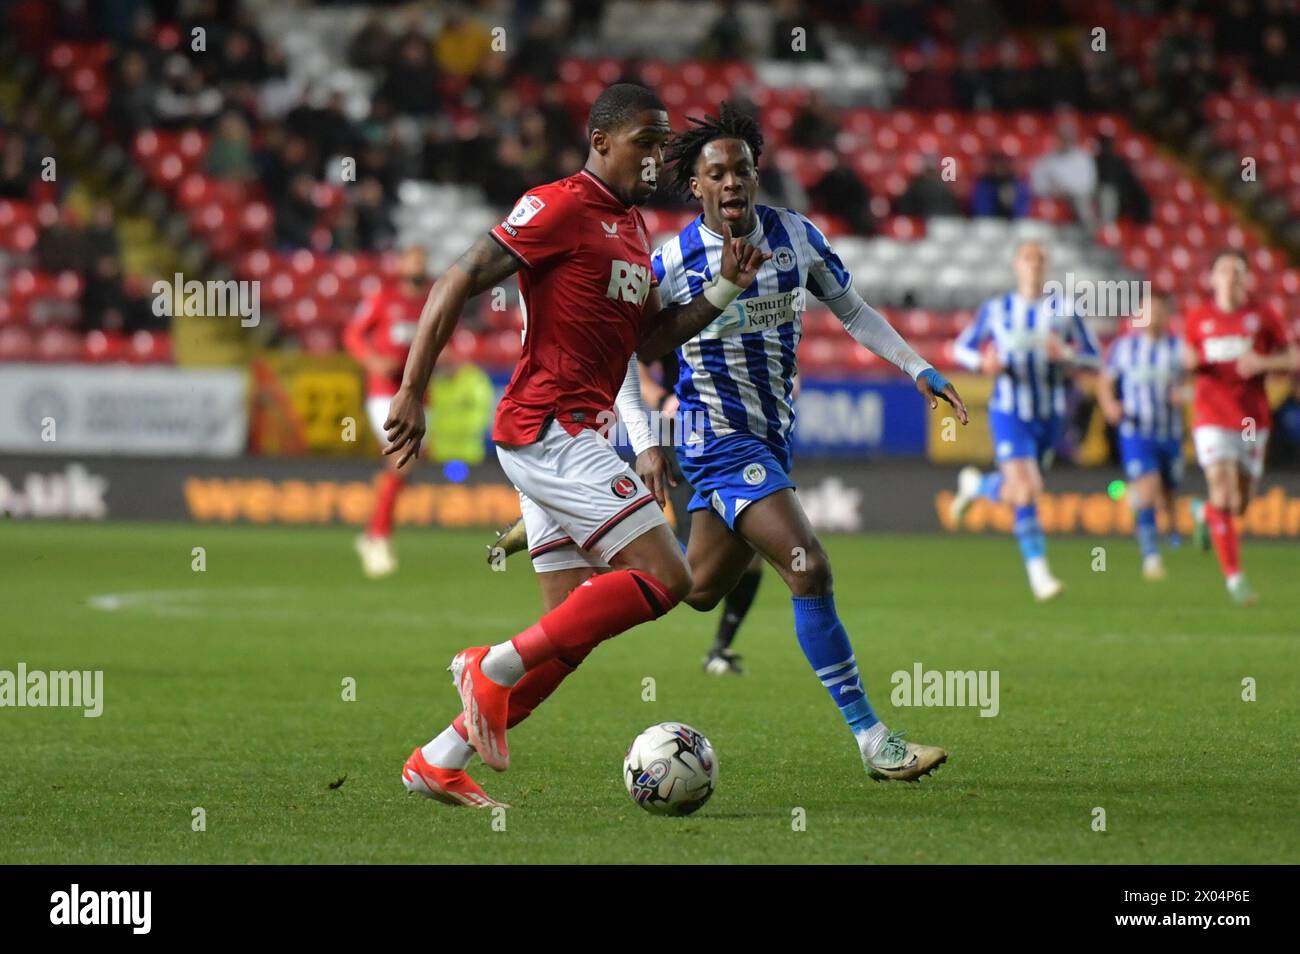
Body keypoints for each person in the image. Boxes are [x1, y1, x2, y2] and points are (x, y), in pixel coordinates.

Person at [384, 84, 769, 807]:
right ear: (601, 141)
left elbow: (649, 343)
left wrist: (719, 291)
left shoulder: (631, 229)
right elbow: (458, 278)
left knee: (570, 634)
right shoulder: (557, 206)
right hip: (549, 425)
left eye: (662, 145)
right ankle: (489, 664)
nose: (657, 158)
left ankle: (436, 760)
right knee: (669, 578)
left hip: (575, 433)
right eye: (645, 143)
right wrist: (412, 388)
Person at [622, 104, 964, 780]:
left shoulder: (796, 238)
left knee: (695, 589)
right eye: (715, 173)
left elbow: (855, 311)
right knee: (807, 566)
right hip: (716, 441)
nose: (731, 183)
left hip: (770, 442)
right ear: (695, 185)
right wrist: (643, 441)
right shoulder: (672, 262)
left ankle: (577, 532)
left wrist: (918, 368)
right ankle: (874, 741)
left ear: (756, 175)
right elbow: (625, 353)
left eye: (741, 170)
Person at [948, 240, 1101, 601]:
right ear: (1017, 264)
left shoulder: (1064, 310)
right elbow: (959, 347)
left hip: (1050, 417)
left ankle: (978, 487)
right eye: (1027, 258)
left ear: (1046, 266)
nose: (1033, 264)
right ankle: (1040, 576)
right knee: (1029, 488)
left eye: (1039, 258)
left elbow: (1096, 359)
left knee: (1019, 490)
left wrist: (1065, 355)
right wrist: (981, 363)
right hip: (1009, 411)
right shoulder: (998, 309)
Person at [1184, 250, 1299, 604]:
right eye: (1223, 270)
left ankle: (1203, 512)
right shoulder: (1198, 317)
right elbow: (1186, 358)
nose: (1230, 277)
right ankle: (1235, 578)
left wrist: (1263, 361)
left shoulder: (1262, 316)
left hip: (1250, 419)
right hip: (1211, 415)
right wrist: (1187, 361)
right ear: (1213, 278)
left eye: (1237, 272)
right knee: (1222, 487)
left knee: (1239, 503)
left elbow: (1293, 357)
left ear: (1247, 279)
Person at [343, 246, 431, 578]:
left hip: (420, 396)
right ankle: (376, 538)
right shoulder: (384, 297)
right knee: (402, 460)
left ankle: (374, 532)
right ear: (401, 264)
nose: (418, 264)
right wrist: (373, 361)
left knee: (400, 467)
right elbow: (352, 333)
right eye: (413, 258)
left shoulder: (429, 301)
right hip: (385, 394)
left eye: (422, 259)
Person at [1096, 294, 1187, 580]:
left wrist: (1184, 394)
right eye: (1148, 311)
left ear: (1166, 316)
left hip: (1169, 432)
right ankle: (1151, 557)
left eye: (1159, 311)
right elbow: (1105, 381)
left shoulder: (1179, 349)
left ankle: (1172, 531)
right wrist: (1109, 404)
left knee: (1168, 492)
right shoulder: (1124, 348)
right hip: (1136, 431)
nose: (1153, 316)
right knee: (1148, 489)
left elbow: (1195, 383)